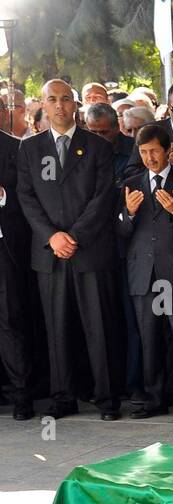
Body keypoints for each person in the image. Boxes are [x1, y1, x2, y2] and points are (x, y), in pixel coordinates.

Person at [16, 79, 121, 420]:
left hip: (89, 250)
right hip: (50, 254)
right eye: (52, 99)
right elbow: (26, 198)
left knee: (99, 327)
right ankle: (62, 397)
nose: (59, 105)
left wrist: (73, 236)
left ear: (75, 105)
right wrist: (53, 237)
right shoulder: (29, 149)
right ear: (42, 105)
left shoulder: (98, 146)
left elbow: (103, 198)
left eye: (65, 99)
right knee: (56, 327)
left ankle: (106, 397)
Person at [117, 123, 173, 420]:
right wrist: (127, 213)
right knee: (149, 337)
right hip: (143, 271)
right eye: (143, 152)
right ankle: (155, 398)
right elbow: (119, 231)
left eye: (154, 151)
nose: (149, 158)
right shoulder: (132, 183)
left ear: (168, 150)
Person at [0, 111, 33, 418]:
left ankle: (21, 393)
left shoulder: (17, 148)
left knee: (10, 320)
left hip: (6, 247)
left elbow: (28, 196)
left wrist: (3, 195)